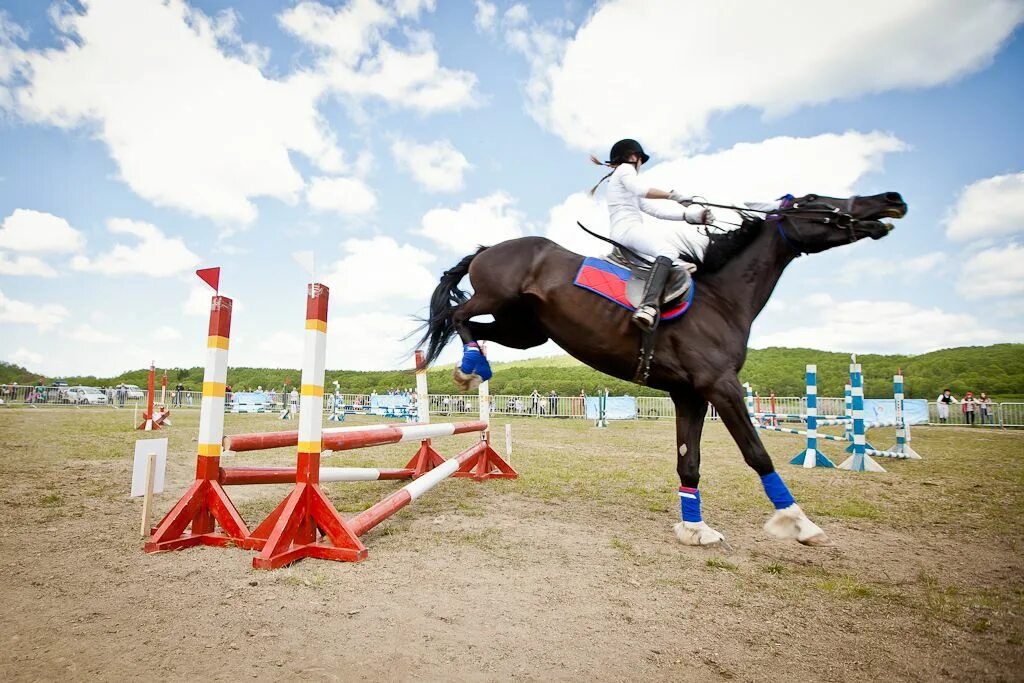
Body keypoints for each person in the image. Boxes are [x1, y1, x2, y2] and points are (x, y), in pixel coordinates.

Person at [590, 138, 715, 330]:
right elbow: (642, 190)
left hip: (624, 232)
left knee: (680, 266)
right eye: (640, 160)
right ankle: (648, 306)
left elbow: (655, 211)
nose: (640, 165)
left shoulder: (621, 180)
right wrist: (673, 195)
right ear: (634, 156)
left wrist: (691, 216)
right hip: (628, 231)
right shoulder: (625, 170)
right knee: (667, 251)